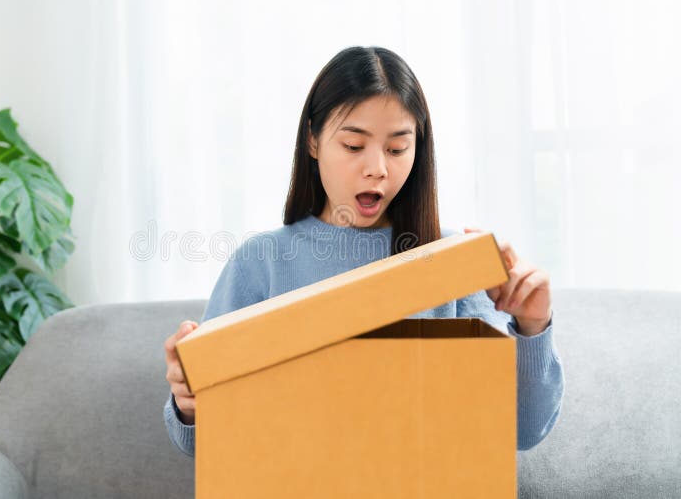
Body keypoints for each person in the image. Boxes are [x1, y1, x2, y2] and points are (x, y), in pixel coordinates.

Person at [163, 45, 564, 458]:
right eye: (354, 146)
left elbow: (522, 430)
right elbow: (202, 446)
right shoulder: (260, 262)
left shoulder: (453, 260)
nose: (378, 168)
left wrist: (533, 326)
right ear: (313, 141)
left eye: (397, 149)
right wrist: (190, 404)